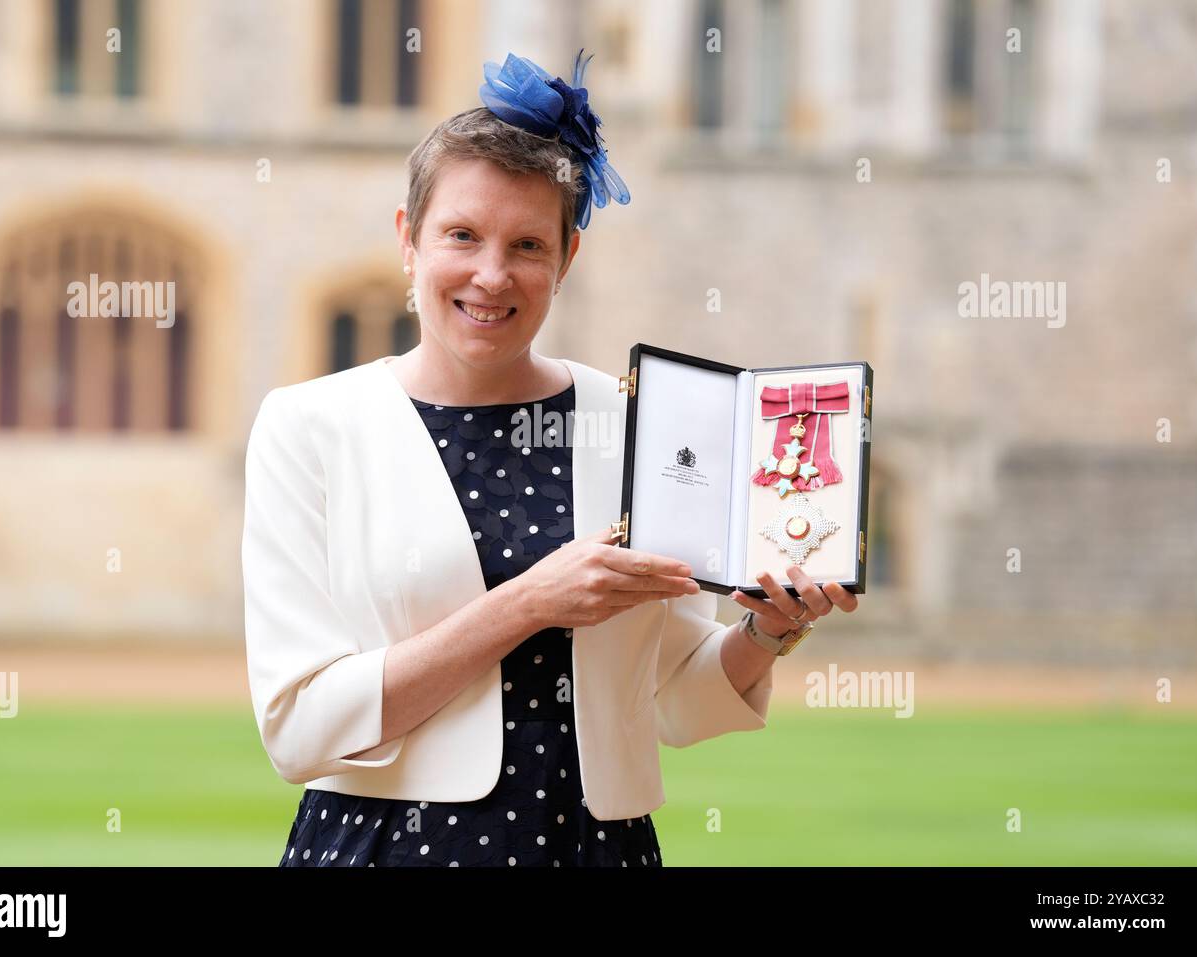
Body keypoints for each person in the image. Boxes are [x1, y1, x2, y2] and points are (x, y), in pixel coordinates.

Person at [241, 50, 859, 868]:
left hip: (594, 847)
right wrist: (528, 601)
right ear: (408, 238)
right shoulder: (306, 427)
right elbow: (298, 727)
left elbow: (675, 698)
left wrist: (766, 629)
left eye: (528, 244)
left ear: (566, 260)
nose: (491, 275)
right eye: (461, 234)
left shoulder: (632, 420)